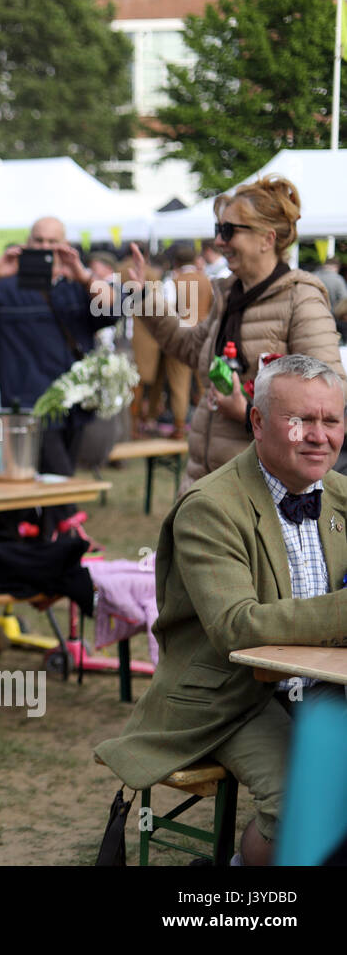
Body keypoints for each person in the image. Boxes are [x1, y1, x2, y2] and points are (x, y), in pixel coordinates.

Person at [97, 355, 347, 866]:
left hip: (322, 688)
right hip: (231, 695)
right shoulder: (210, 505)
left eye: (332, 420)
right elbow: (237, 628)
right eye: (299, 420)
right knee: (303, 802)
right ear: (256, 422)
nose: (318, 436)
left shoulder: (342, 496)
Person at [128, 175, 344, 492]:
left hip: (260, 495)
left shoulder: (301, 299)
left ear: (266, 239)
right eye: (219, 230)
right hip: (207, 485)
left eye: (229, 231)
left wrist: (246, 414)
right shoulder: (231, 295)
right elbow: (189, 348)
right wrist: (143, 298)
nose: (218, 242)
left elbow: (331, 397)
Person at [0, 216, 115, 536]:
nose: (45, 249)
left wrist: (82, 275)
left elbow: (112, 308)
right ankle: (69, 538)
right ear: (27, 244)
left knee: (55, 484)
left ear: (66, 244)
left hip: (75, 406)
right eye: (38, 241)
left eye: (53, 242)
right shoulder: (7, 287)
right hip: (28, 407)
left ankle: (49, 543)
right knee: (61, 485)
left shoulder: (77, 286)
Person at [131, 242, 198, 440]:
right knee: (201, 386)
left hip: (179, 336)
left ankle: (178, 427)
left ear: (176, 261)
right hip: (203, 338)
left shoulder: (173, 282)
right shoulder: (208, 280)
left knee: (178, 384)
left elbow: (167, 310)